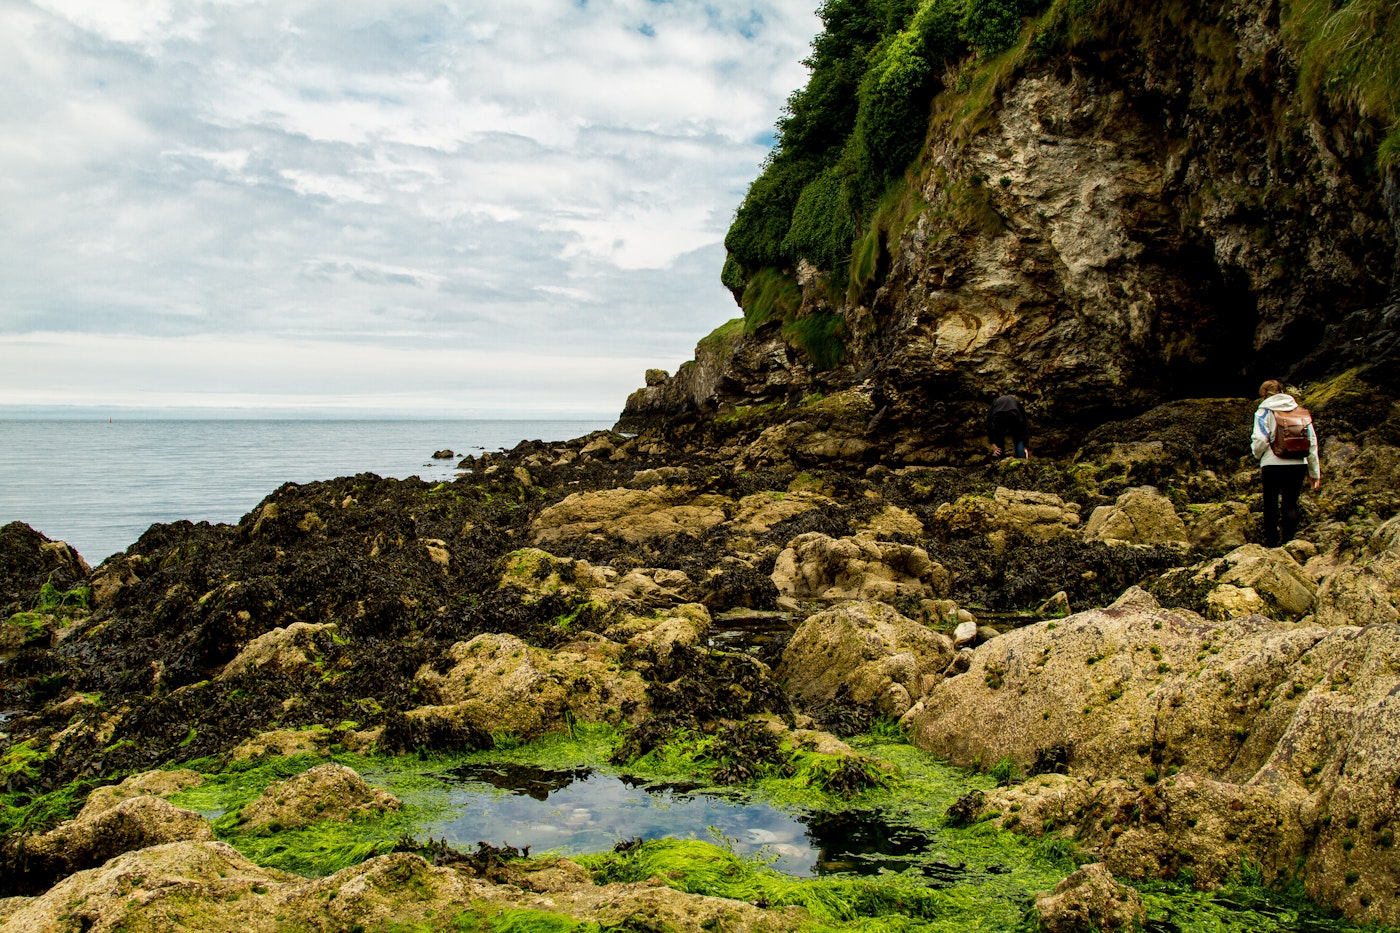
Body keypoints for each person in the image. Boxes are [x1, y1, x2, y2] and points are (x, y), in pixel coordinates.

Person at [1250, 379, 1321, 548]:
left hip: (1272, 464)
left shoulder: (1264, 412)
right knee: (1290, 504)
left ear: (1264, 395)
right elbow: (1312, 442)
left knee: (1271, 504)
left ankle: (1272, 544)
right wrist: (1314, 472)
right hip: (1297, 463)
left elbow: (1260, 439)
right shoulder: (1300, 412)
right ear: (1283, 391)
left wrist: (1258, 455)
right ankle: (1288, 542)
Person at [986, 394, 1029, 459]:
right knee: (1018, 438)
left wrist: (993, 442)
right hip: (1014, 414)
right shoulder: (1016, 401)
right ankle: (1021, 459)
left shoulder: (995, 402)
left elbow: (988, 423)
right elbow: (1024, 424)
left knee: (999, 438)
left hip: (998, 415)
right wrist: (1025, 446)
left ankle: (999, 459)